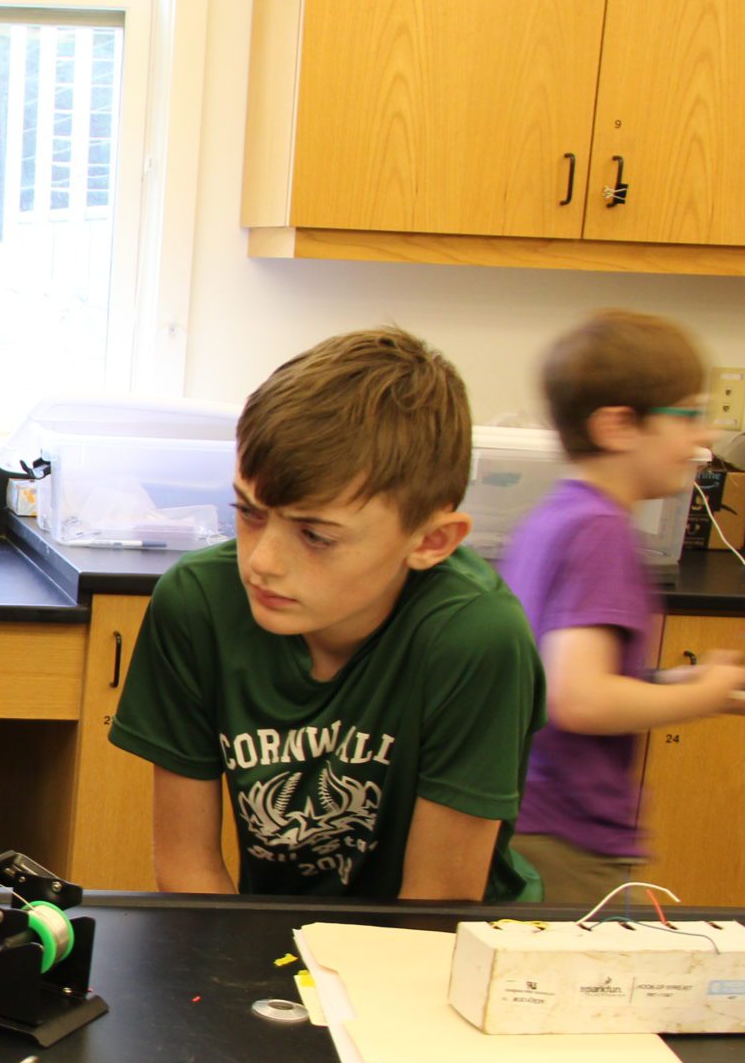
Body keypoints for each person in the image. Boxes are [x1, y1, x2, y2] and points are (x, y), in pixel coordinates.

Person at [109, 327, 545, 901]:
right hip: (279, 940)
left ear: (433, 540)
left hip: (443, 947)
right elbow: (189, 874)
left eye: (315, 536)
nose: (262, 563)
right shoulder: (197, 604)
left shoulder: (475, 637)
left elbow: (437, 905)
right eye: (249, 512)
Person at [497, 310, 745, 904]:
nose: (705, 438)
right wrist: (708, 695)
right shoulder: (602, 533)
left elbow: (561, 672)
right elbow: (581, 698)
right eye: (689, 414)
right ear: (618, 426)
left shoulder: (556, 518)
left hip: (529, 816)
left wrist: (666, 680)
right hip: (567, 839)